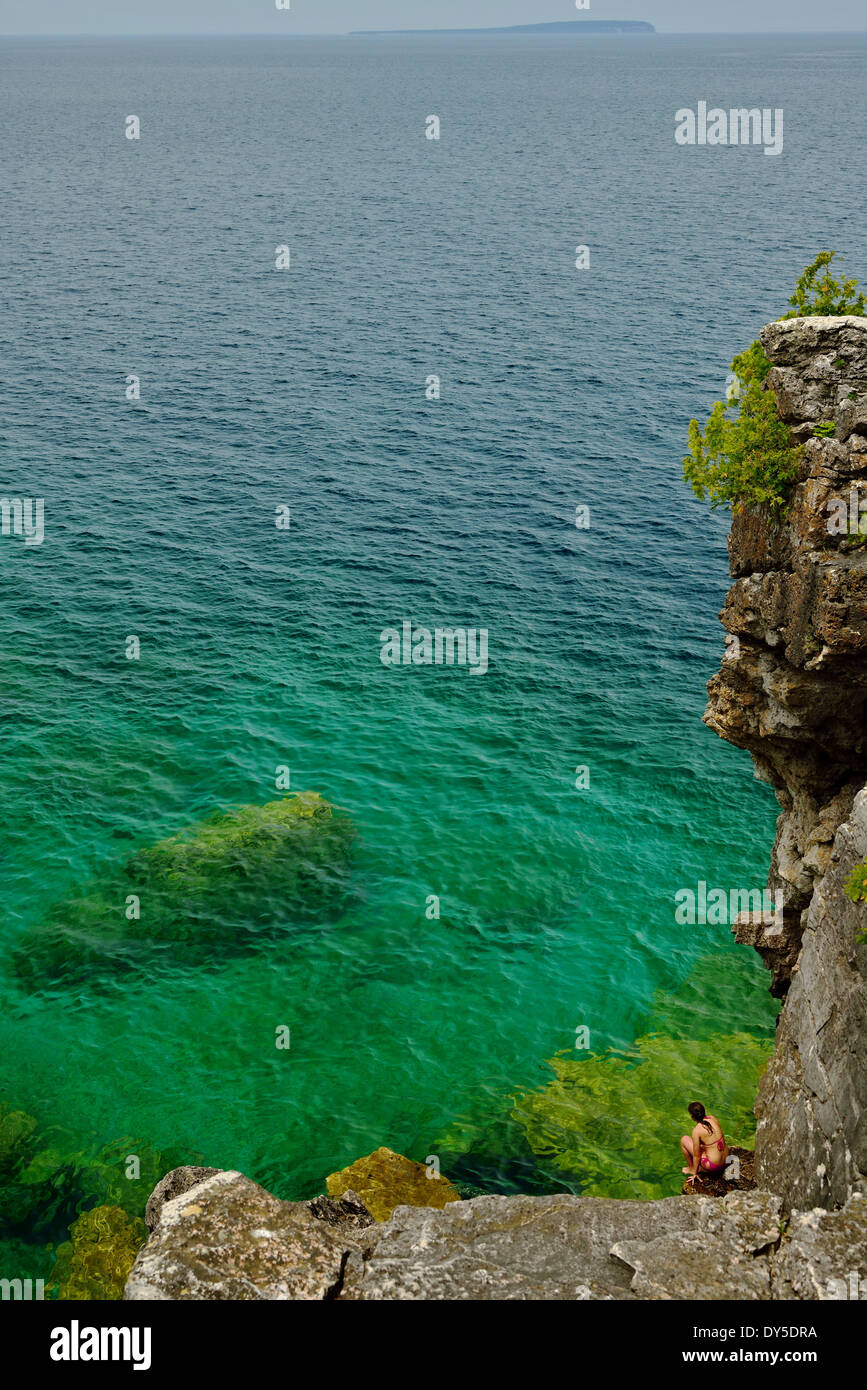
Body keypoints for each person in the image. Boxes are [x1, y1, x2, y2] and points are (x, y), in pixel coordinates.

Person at [681, 1101, 728, 1185]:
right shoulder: (713, 1118)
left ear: (692, 1116)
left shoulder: (697, 1130)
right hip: (726, 1159)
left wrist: (694, 1174)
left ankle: (692, 1168)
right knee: (707, 1145)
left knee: (684, 1139)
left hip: (715, 1165)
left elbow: (696, 1155)